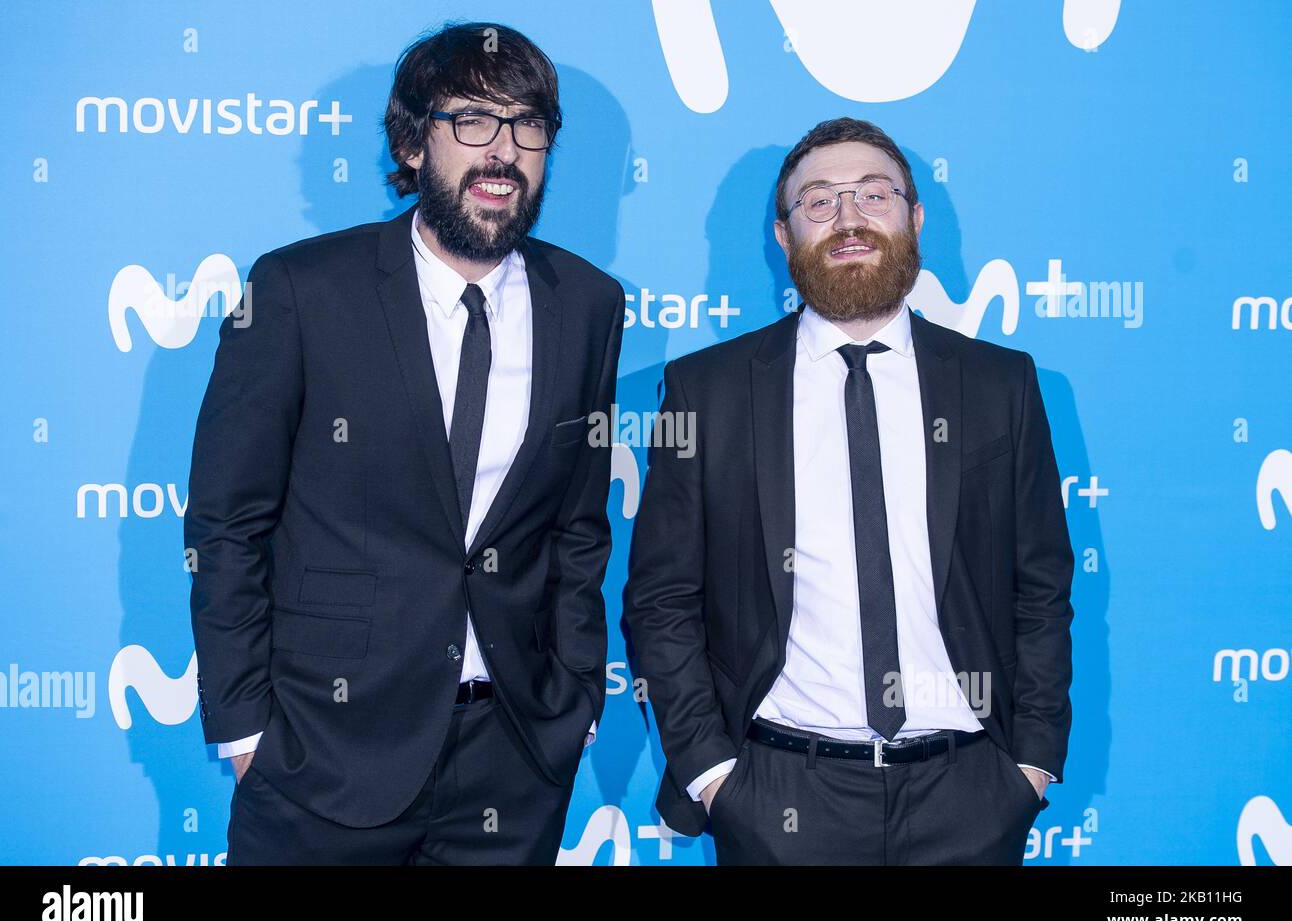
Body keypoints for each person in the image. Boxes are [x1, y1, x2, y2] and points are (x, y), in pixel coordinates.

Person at [186, 21, 624, 864]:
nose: (502, 151)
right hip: (323, 752)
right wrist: (245, 728)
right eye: (471, 120)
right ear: (412, 142)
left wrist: (575, 701)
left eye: (527, 124)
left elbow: (578, 525)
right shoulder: (300, 290)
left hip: (514, 757)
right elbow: (227, 522)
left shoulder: (590, 303)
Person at [624, 118, 1074, 864]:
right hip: (780, 797)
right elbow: (662, 597)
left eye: (873, 194)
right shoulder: (708, 392)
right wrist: (714, 776)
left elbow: (1041, 587)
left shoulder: (1001, 385)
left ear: (915, 216)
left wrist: (1028, 765)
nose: (850, 218)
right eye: (820, 201)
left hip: (971, 792)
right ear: (784, 234)